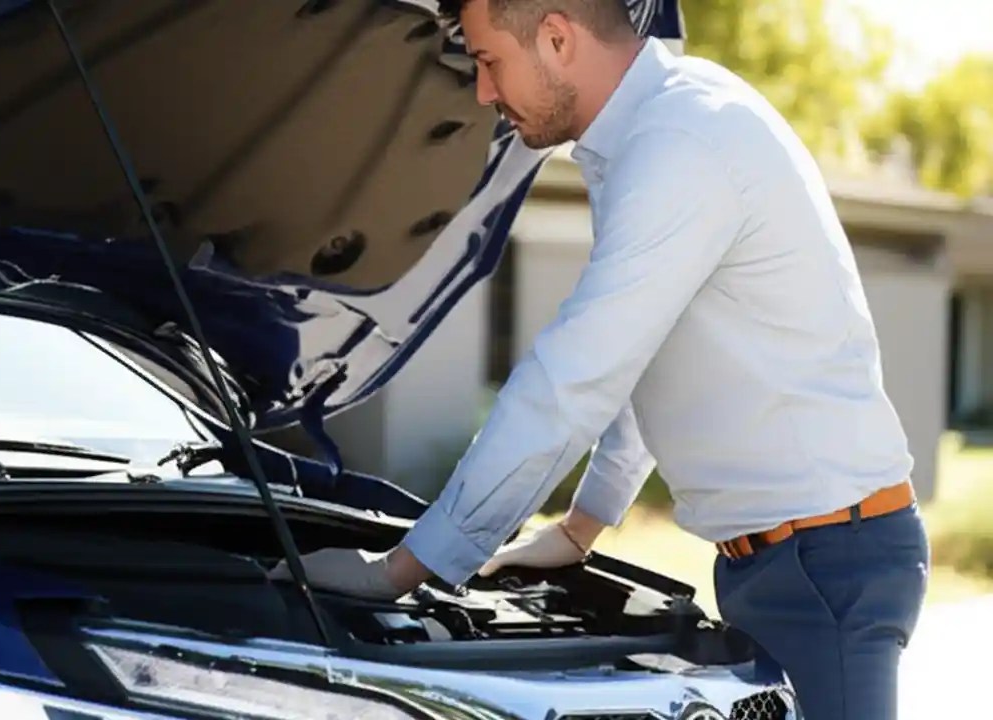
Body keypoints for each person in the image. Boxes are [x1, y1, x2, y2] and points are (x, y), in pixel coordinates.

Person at [268, 1, 930, 718]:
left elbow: (572, 380)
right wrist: (583, 525)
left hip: (824, 564)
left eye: (490, 61)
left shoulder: (684, 143)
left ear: (556, 38)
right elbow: (646, 350)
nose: (483, 92)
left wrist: (401, 569)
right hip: (791, 559)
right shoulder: (660, 131)